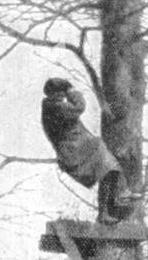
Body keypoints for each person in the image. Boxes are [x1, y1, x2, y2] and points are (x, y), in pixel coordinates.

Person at [41, 78, 140, 223]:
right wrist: (72, 93)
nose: (63, 97)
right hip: (73, 149)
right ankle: (115, 202)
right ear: (54, 94)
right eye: (61, 94)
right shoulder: (56, 107)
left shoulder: (51, 106)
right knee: (105, 161)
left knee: (107, 169)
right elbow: (79, 107)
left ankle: (113, 203)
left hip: (75, 147)